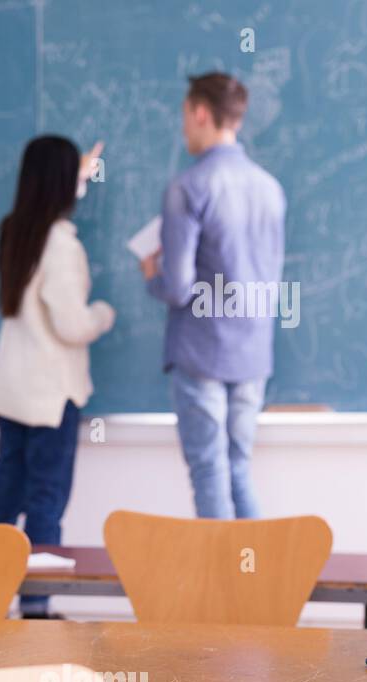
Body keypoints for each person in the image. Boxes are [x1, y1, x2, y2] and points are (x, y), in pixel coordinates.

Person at [142, 72, 286, 519]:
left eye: (186, 115)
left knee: (208, 470)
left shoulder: (187, 187)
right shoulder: (270, 188)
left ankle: (224, 588)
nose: (184, 126)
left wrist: (152, 274)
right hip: (253, 353)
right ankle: (257, 584)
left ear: (202, 113)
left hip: (202, 351)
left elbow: (178, 286)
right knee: (238, 468)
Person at [0, 135, 114, 619]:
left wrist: (77, 170)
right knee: (46, 499)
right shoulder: (61, 246)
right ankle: (36, 608)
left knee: (6, 495)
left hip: (12, 389)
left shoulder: (15, 230)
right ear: (62, 184)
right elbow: (71, 324)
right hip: (51, 394)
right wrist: (103, 313)